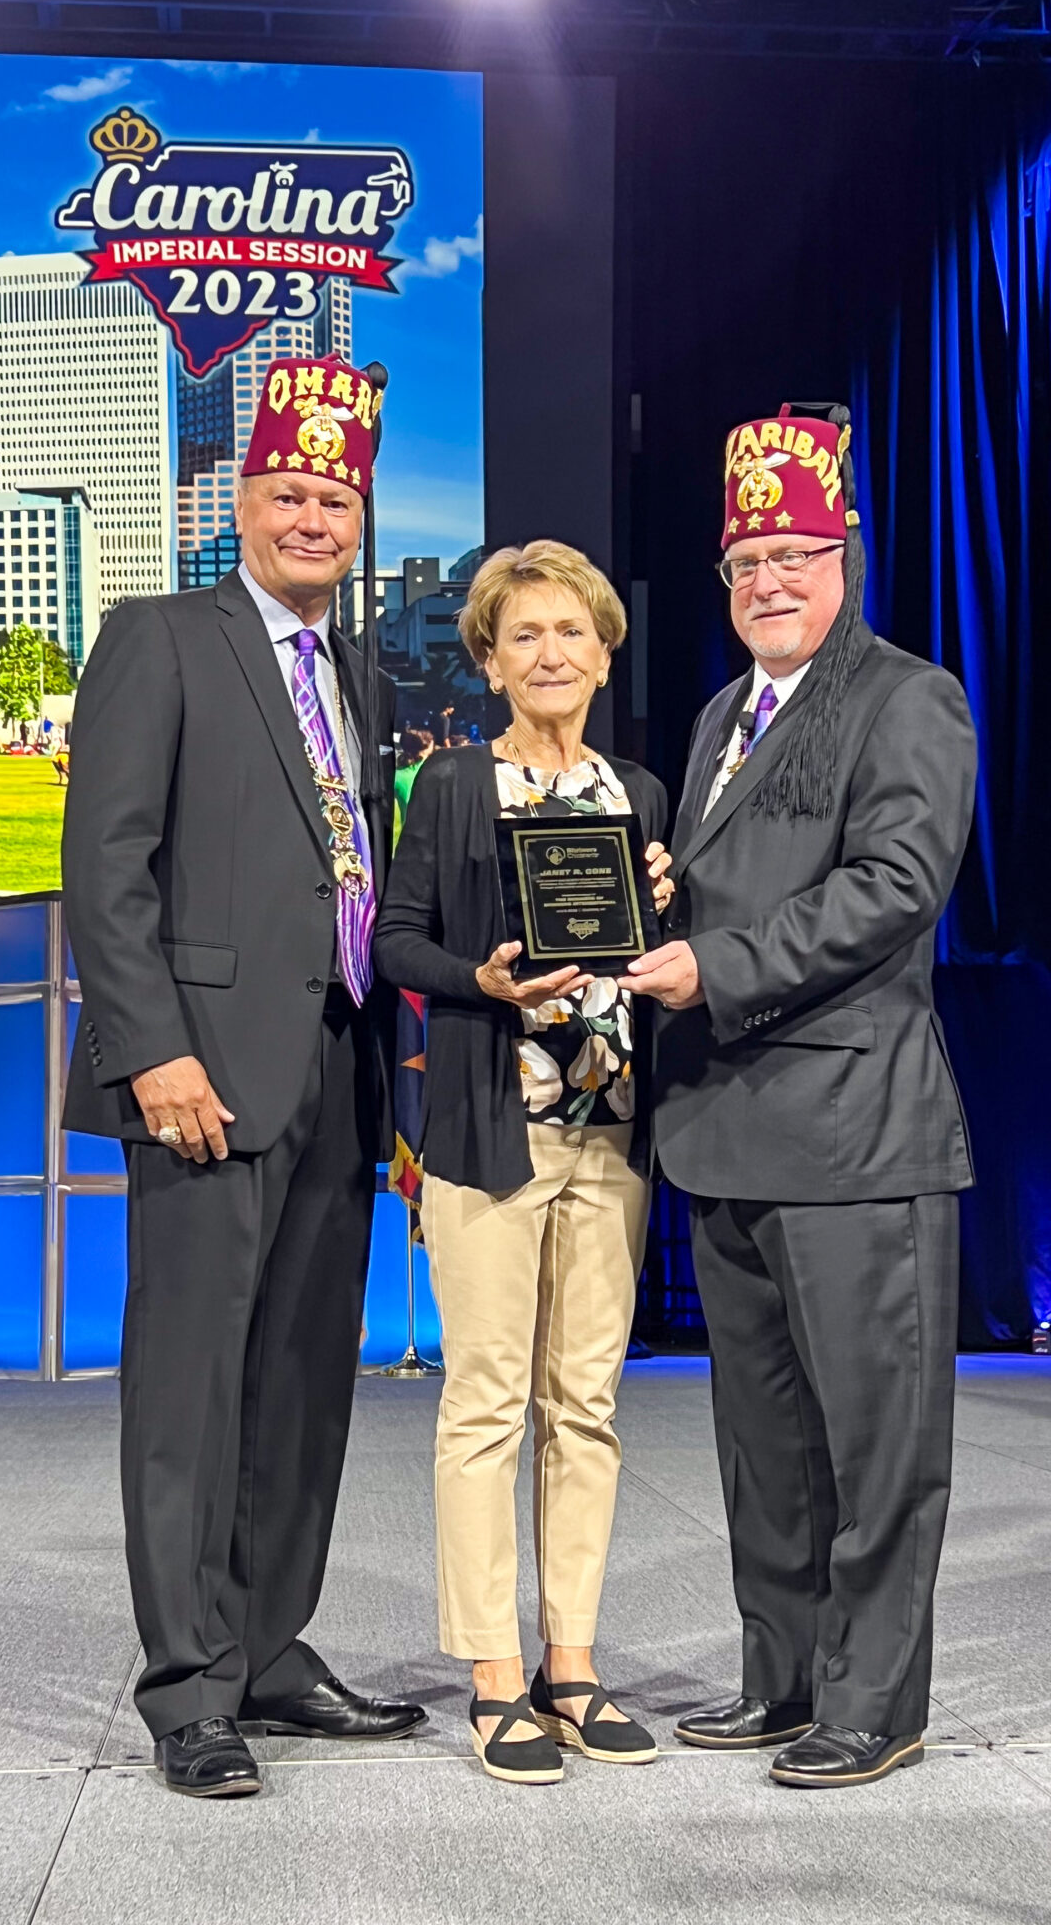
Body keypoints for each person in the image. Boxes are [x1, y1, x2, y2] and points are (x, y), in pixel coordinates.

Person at [62, 353, 425, 1801]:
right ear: (239, 503)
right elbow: (106, 867)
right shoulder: (159, 638)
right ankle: (187, 1687)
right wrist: (152, 1049)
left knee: (299, 1384)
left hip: (336, 1067)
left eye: (335, 497)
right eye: (288, 492)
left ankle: (269, 1649)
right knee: (192, 1390)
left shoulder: (358, 672)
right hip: (203, 1075)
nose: (312, 518)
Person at [625, 404, 977, 1790]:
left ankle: (875, 1702)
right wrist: (665, 896)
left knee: (876, 1446)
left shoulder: (908, 697)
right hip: (729, 1130)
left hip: (856, 1135)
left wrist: (711, 962)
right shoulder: (723, 715)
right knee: (765, 1446)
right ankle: (780, 1678)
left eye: (795, 554)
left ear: (846, 557)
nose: (769, 580)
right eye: (747, 559)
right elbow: (748, 882)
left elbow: (893, 888)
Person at [375, 541, 672, 1786]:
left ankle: (573, 1664)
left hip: (612, 1132)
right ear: (490, 662)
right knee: (488, 1402)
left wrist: (667, 903)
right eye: (524, 635)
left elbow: (651, 959)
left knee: (585, 1408)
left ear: (605, 653)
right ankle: (496, 1676)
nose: (551, 653)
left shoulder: (639, 793)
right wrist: (480, 979)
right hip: (492, 1134)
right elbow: (394, 939)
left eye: (571, 632)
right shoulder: (452, 783)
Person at [391, 724, 434, 847]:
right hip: (425, 840)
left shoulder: (397, 775)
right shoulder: (431, 771)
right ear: (426, 749)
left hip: (404, 839)